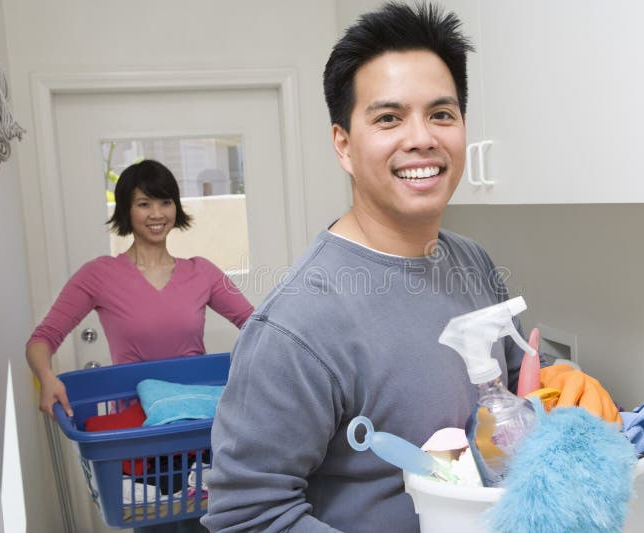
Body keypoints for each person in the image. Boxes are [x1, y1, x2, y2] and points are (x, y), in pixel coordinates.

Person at [203, 3, 525, 532]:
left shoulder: (473, 262)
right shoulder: (296, 327)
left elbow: (507, 396)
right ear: (344, 146)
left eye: (441, 114)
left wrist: (559, 390)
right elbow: (248, 518)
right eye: (389, 118)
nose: (422, 138)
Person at [26, 159, 254, 532]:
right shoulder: (99, 275)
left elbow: (256, 325)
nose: (157, 214)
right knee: (157, 527)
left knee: (212, 524)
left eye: (165, 202)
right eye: (144, 203)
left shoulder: (203, 273)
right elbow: (42, 338)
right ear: (126, 210)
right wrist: (46, 377)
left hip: (199, 428)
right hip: (139, 434)